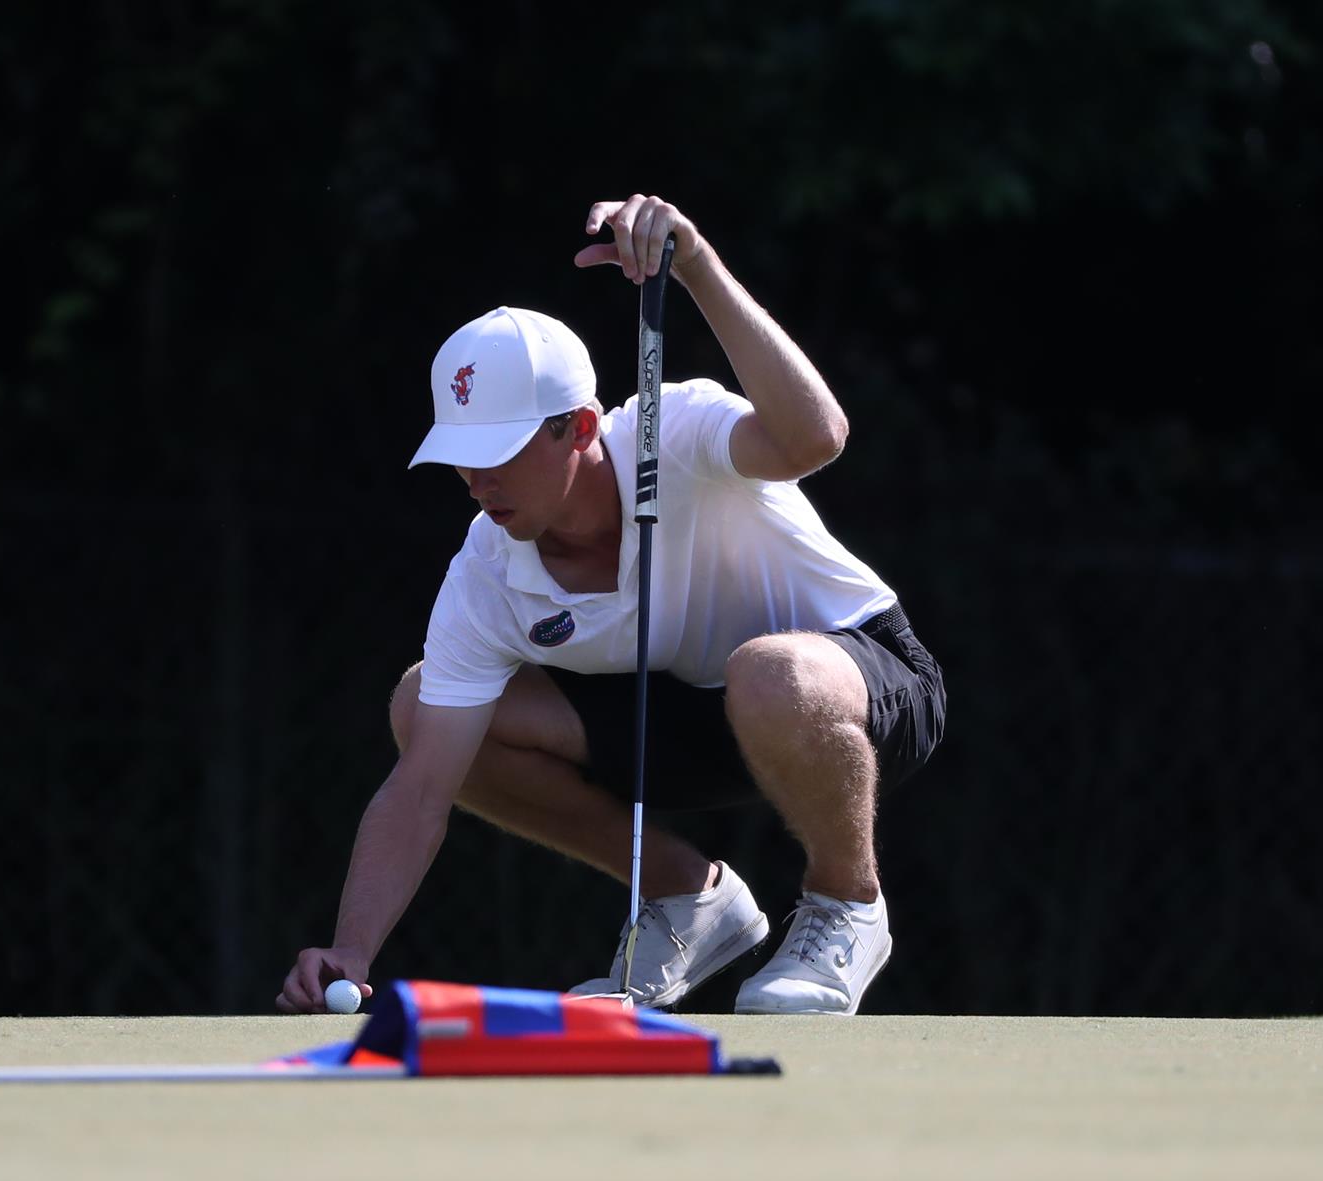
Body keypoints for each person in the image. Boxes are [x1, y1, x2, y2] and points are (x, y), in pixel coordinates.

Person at [276, 195, 944, 1016]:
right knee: (426, 706)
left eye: (500, 451)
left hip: (852, 685)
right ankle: (686, 897)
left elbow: (817, 436)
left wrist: (695, 265)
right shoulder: (485, 573)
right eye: (461, 456)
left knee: (768, 671)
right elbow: (419, 789)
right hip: (693, 718)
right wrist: (349, 949)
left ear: (581, 426)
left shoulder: (681, 428)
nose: (477, 480)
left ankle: (847, 906)